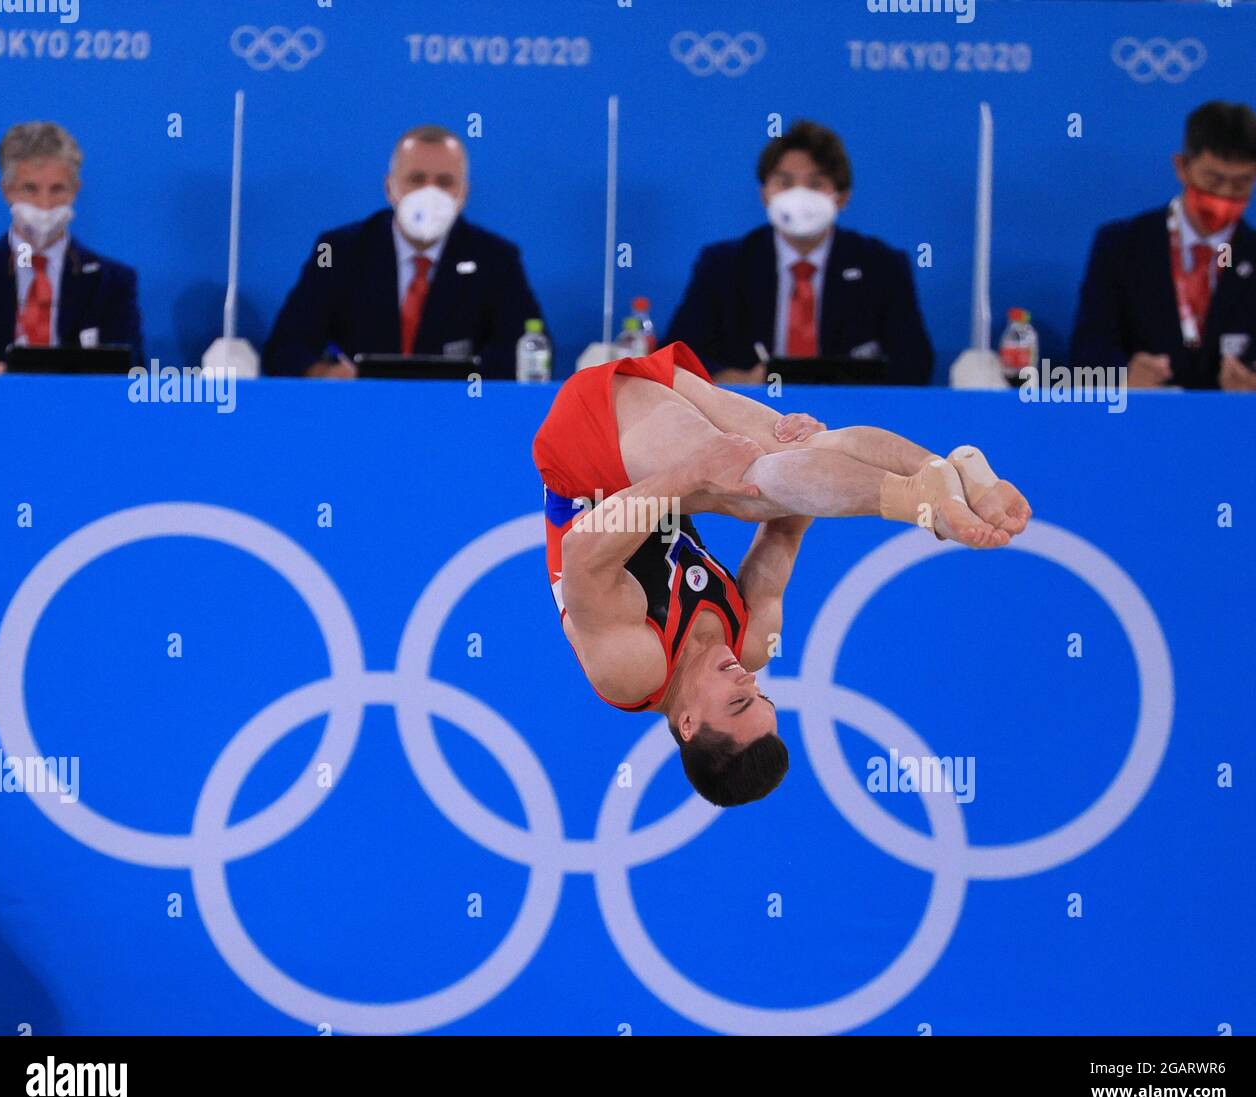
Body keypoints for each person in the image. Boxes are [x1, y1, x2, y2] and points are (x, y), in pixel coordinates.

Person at [531, 342, 1030, 807]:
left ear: (687, 723)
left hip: (585, 457)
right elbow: (787, 531)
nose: (748, 678)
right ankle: (951, 473)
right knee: (792, 460)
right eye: (760, 695)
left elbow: (583, 552)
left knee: (746, 486)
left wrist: (690, 476)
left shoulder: (632, 672)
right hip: (661, 451)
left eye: (737, 702)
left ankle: (926, 507)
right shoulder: (753, 643)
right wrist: (809, 459)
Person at [263, 124, 545, 378]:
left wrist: (468, 377)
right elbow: (286, 346)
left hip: (455, 412)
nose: (430, 193)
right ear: (390, 187)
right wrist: (325, 373)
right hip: (358, 410)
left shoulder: (495, 258)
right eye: (416, 179)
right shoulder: (338, 250)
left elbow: (528, 348)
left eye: (445, 182)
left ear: (464, 193)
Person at [664, 119, 933, 386]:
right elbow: (677, 356)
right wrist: (738, 380)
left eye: (816, 184)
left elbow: (914, 364)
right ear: (765, 194)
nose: (799, 195)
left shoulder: (881, 266)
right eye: (785, 182)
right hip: (745, 412)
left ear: (841, 197)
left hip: (852, 417)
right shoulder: (724, 265)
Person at [1070, 101, 1256, 392]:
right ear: (1182, 167)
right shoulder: (1121, 246)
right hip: (1136, 422)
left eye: (1241, 184)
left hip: (1228, 428)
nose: (1225, 195)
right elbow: (1086, 350)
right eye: (1213, 180)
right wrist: (1122, 376)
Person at [0, 121, 143, 374]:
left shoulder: (111, 283)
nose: (45, 204)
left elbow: (130, 372)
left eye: (57, 189)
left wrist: (9, 374)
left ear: (75, 191)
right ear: (6, 191)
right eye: (30, 189)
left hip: (80, 411)